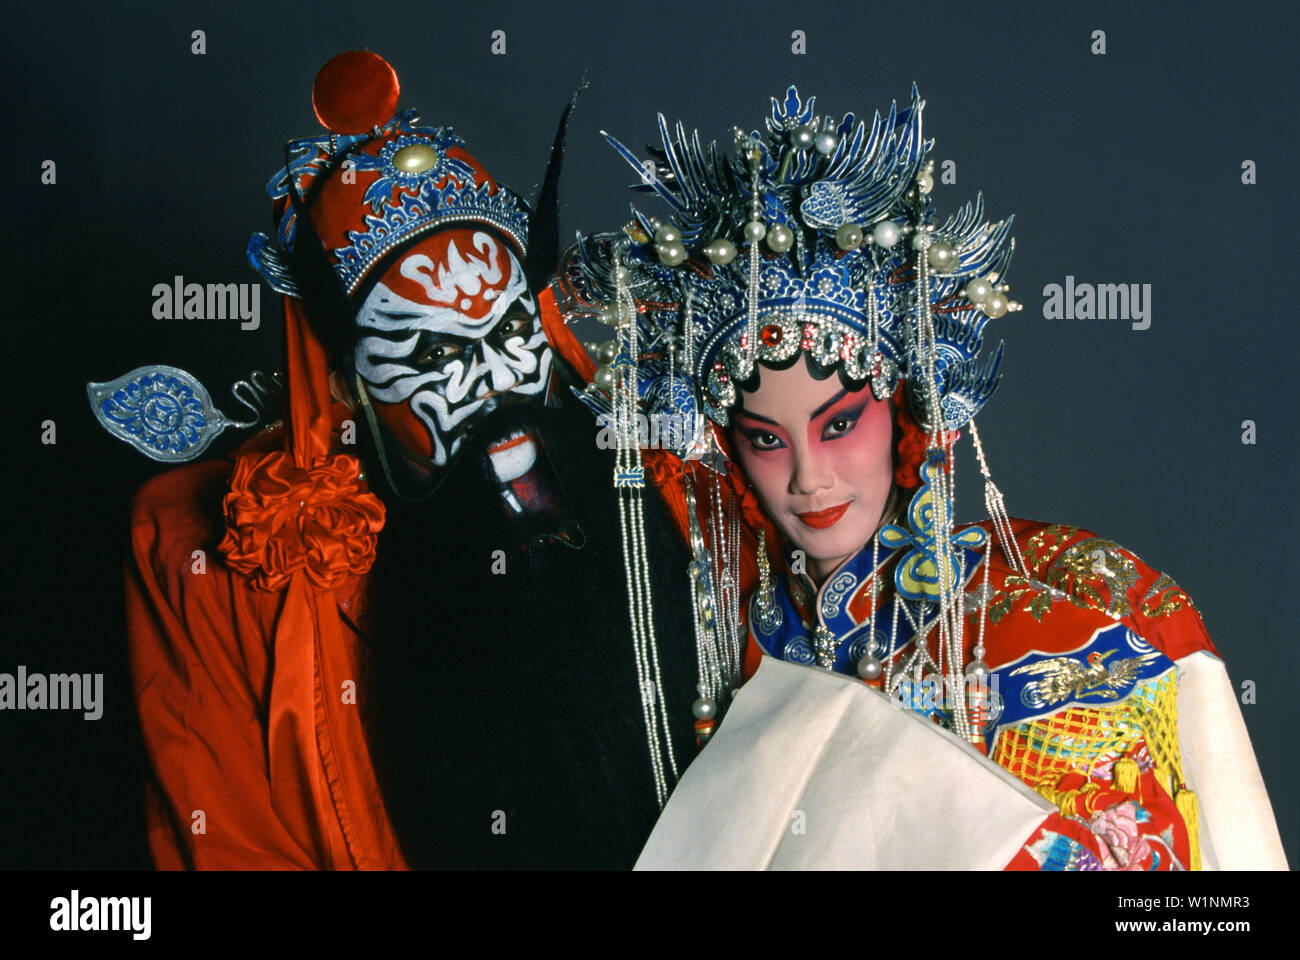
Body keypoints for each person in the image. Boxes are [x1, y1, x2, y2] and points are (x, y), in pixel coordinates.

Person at [556, 85, 1288, 869]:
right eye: (767, 440)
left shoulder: (1041, 632)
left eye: (839, 426)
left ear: (903, 415)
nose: (810, 479)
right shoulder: (724, 645)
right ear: (724, 449)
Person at [93, 52, 713, 869]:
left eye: (511, 332)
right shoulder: (213, 568)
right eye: (431, 354)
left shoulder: (683, 489)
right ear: (348, 391)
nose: (496, 384)